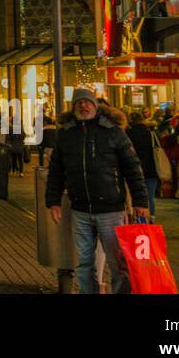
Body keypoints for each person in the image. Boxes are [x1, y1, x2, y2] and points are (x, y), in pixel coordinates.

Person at [45, 88, 149, 295]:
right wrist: (53, 201)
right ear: (73, 107)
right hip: (80, 209)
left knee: (117, 262)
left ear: (95, 105)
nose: (84, 106)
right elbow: (56, 170)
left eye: (87, 102)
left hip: (111, 209)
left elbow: (132, 168)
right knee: (84, 263)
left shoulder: (113, 132)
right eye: (79, 103)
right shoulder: (66, 134)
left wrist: (141, 202)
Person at [126, 111, 161, 219]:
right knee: (149, 196)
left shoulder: (128, 134)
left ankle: (139, 219)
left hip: (134, 169)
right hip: (151, 168)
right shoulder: (151, 133)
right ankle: (151, 217)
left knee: (136, 195)